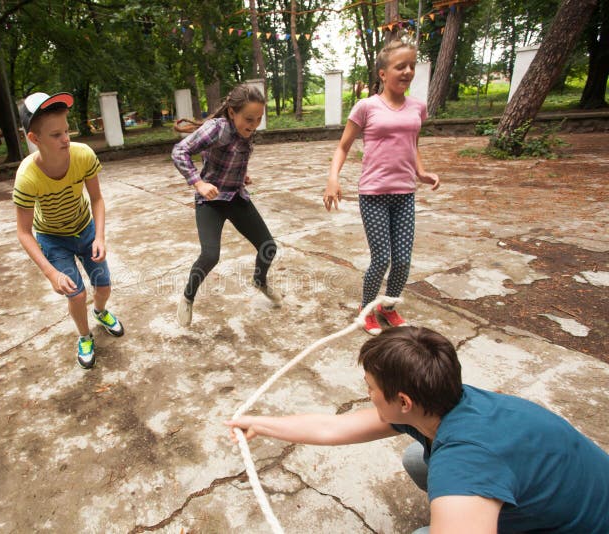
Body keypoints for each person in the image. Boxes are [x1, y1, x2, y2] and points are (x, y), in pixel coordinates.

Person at [226, 326, 609, 533]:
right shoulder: (449, 399)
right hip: (578, 488)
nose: (368, 397)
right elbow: (333, 426)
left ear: (403, 402)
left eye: (371, 390)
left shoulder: (465, 462)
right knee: (417, 458)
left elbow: (470, 467)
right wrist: (260, 423)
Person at [323, 40, 440, 335]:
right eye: (400, 66)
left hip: (404, 194)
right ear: (383, 73)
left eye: (411, 66)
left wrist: (421, 172)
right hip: (373, 194)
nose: (408, 71)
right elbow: (343, 146)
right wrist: (333, 178)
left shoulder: (417, 108)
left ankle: (388, 307)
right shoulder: (367, 107)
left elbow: (412, 144)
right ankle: (367, 311)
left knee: (402, 260)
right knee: (382, 258)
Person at [14, 92, 124, 370]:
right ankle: (84, 336)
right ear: (34, 138)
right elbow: (24, 232)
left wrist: (99, 236)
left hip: (85, 229)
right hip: (52, 239)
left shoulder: (83, 155)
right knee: (75, 294)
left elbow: (97, 199)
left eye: (66, 130)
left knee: (104, 286)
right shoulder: (27, 176)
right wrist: (50, 273)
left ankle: (100, 312)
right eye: (55, 135)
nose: (66, 138)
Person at [172, 84, 282, 327]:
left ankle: (259, 281)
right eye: (248, 119)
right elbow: (180, 151)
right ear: (232, 113)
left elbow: (232, 157)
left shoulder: (246, 132)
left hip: (235, 197)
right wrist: (198, 183)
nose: (253, 125)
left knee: (268, 247)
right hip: (211, 201)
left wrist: (241, 175)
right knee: (210, 255)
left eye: (258, 119)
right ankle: (187, 297)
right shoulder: (217, 129)